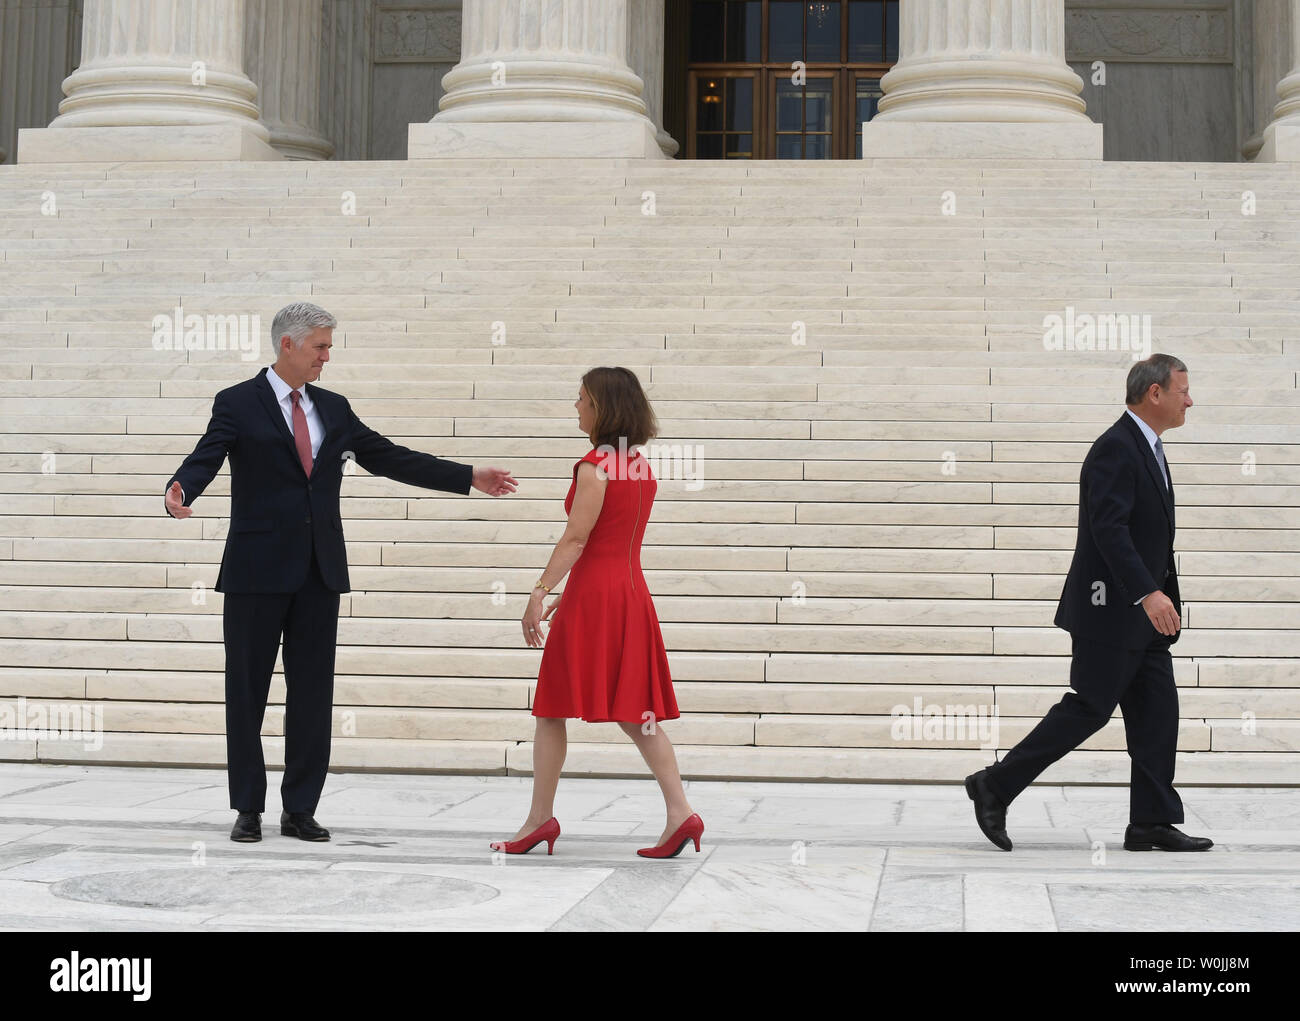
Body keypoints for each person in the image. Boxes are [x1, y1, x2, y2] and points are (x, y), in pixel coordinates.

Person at [164, 302, 517, 843]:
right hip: (255, 571)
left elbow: (387, 456)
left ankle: (300, 808)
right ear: (288, 345)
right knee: (246, 690)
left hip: (318, 572)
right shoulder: (237, 402)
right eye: (320, 348)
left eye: (328, 347)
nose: (327, 357)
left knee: (312, 694)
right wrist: (181, 490)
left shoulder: (334, 407)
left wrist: (467, 475)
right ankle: (248, 808)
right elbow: (206, 456)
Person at [966, 353, 1212, 853]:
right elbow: (1108, 529)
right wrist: (1148, 592)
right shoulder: (1116, 449)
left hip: (1143, 618)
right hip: (1111, 612)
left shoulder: (1151, 449)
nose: (1192, 399)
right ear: (1155, 394)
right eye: (1183, 390)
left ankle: (1151, 821)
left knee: (1157, 713)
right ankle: (994, 784)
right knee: (1088, 709)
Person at [491, 367, 703, 859]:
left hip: (595, 597)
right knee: (640, 713)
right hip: (629, 593)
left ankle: (539, 820)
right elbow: (614, 543)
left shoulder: (595, 466)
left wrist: (540, 590)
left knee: (550, 710)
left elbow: (578, 538)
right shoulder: (639, 467)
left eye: (582, 398)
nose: (576, 406)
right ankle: (680, 814)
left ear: (602, 407)